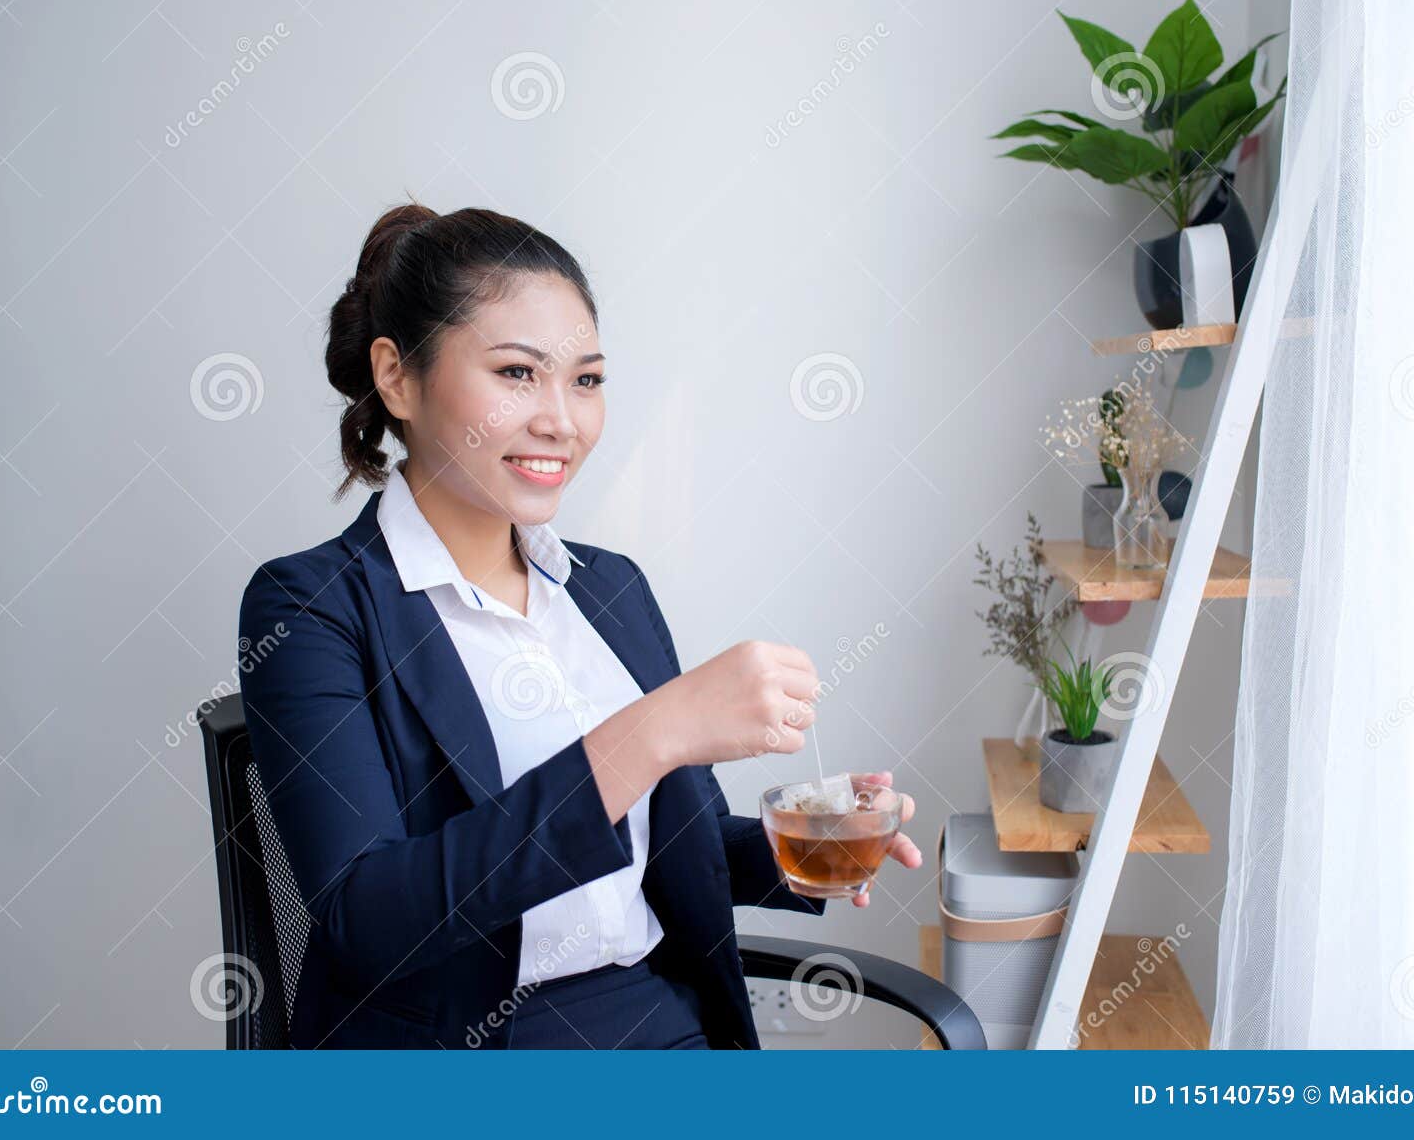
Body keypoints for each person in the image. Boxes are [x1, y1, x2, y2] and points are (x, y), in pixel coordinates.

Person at [237, 202, 922, 1049]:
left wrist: (810, 847)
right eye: (517, 373)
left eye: (586, 380)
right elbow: (367, 918)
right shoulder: (311, 607)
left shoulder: (609, 589)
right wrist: (653, 732)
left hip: (659, 1021)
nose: (561, 420)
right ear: (398, 377)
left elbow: (680, 845)